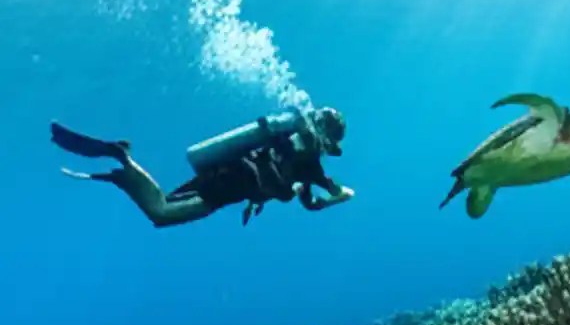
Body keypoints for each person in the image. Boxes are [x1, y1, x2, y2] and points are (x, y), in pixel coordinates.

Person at [50, 106, 355, 227]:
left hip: (227, 172)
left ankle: (122, 171)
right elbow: (325, 196)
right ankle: (122, 158)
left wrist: (324, 199)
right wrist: (342, 196)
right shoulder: (311, 162)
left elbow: (309, 202)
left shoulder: (295, 153)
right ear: (328, 139)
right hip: (230, 185)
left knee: (162, 207)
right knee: (161, 214)